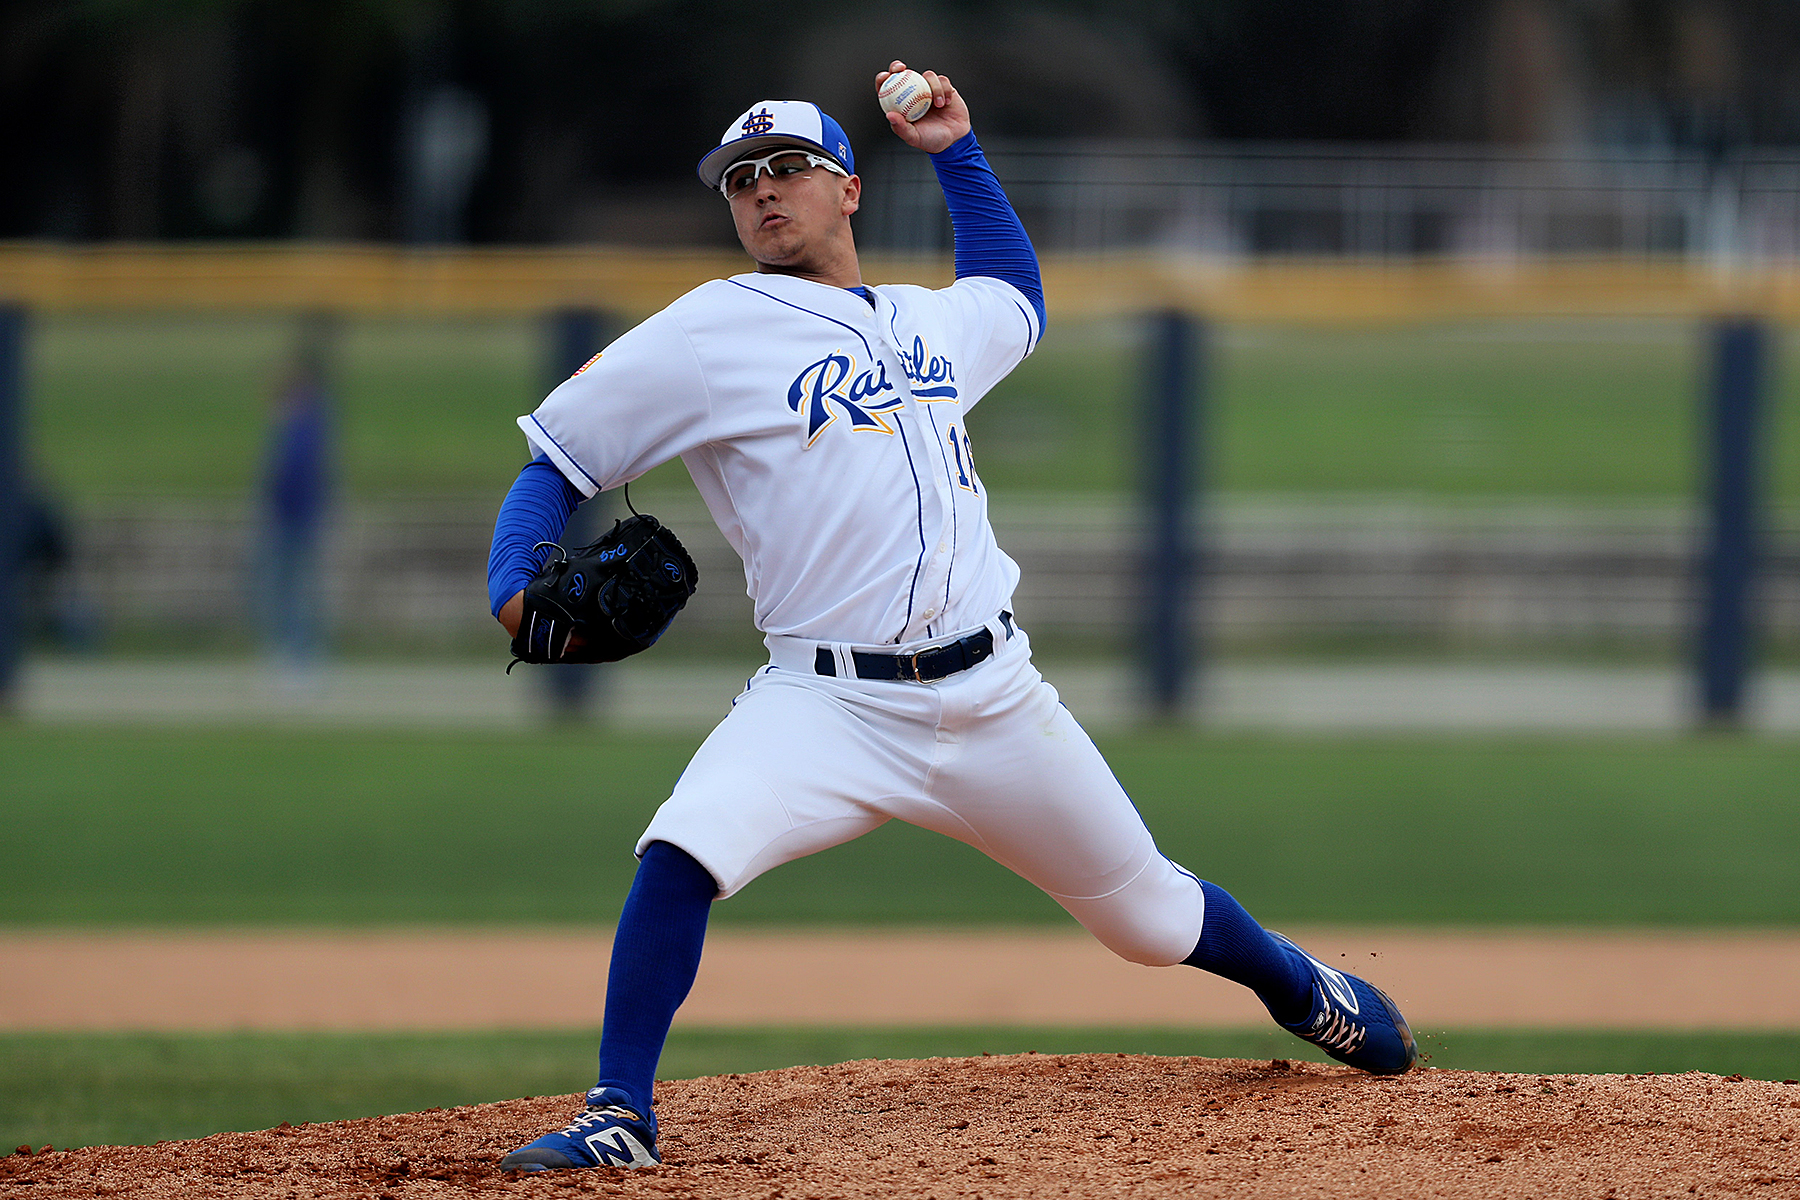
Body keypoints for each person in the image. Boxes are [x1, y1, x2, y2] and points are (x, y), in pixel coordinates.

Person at [485, 63, 1415, 1174]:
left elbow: (1014, 295)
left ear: (848, 190)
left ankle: (1304, 990)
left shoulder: (925, 321)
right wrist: (509, 585)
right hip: (823, 701)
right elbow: (557, 458)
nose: (763, 189)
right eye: (740, 178)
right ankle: (619, 1112)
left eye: (788, 167)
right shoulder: (706, 330)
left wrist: (958, 154)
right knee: (684, 847)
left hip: (995, 695)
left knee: (1150, 921)